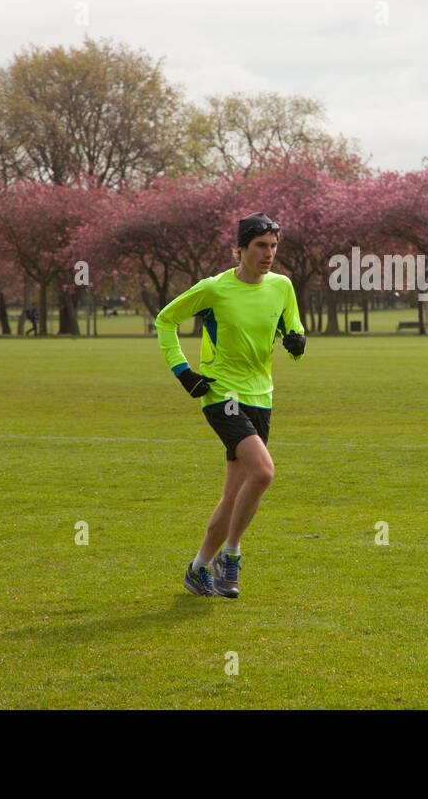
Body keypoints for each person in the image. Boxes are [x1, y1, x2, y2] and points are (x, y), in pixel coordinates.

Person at [156, 212, 305, 599]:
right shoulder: (215, 288)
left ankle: (199, 567)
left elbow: (293, 324)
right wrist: (183, 371)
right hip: (223, 395)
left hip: (261, 396)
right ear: (239, 248)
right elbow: (165, 320)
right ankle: (232, 557)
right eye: (260, 246)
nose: (269, 253)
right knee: (264, 473)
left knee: (235, 491)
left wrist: (297, 340)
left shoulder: (282, 286)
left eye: (274, 246)